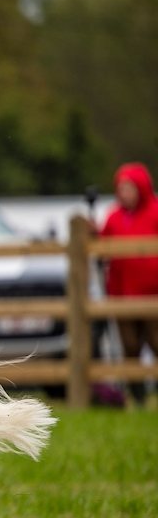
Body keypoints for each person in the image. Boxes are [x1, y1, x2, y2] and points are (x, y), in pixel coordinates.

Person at [99, 162, 158, 406]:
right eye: (121, 189)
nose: (124, 194)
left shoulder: (155, 212)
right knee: (130, 346)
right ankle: (138, 395)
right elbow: (102, 249)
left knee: (156, 342)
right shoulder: (113, 217)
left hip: (152, 294)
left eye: (129, 188)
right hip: (122, 293)